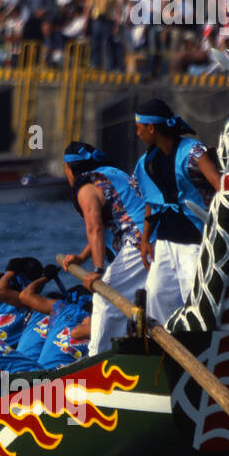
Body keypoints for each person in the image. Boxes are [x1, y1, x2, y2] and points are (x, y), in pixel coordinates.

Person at [132, 99, 220, 325]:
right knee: (156, 295)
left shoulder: (193, 153)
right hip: (165, 241)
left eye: (139, 127)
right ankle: (163, 345)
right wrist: (145, 240)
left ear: (151, 128)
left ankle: (200, 344)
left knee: (195, 296)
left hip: (196, 238)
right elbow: (152, 201)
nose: (137, 132)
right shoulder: (147, 162)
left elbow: (223, 188)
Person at [59, 141, 146, 355]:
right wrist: (81, 257)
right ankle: (133, 348)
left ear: (70, 169)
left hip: (139, 242)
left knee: (104, 295)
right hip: (154, 240)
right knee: (141, 299)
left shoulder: (86, 186)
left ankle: (97, 357)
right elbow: (105, 229)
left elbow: (95, 227)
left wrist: (97, 271)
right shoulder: (111, 173)